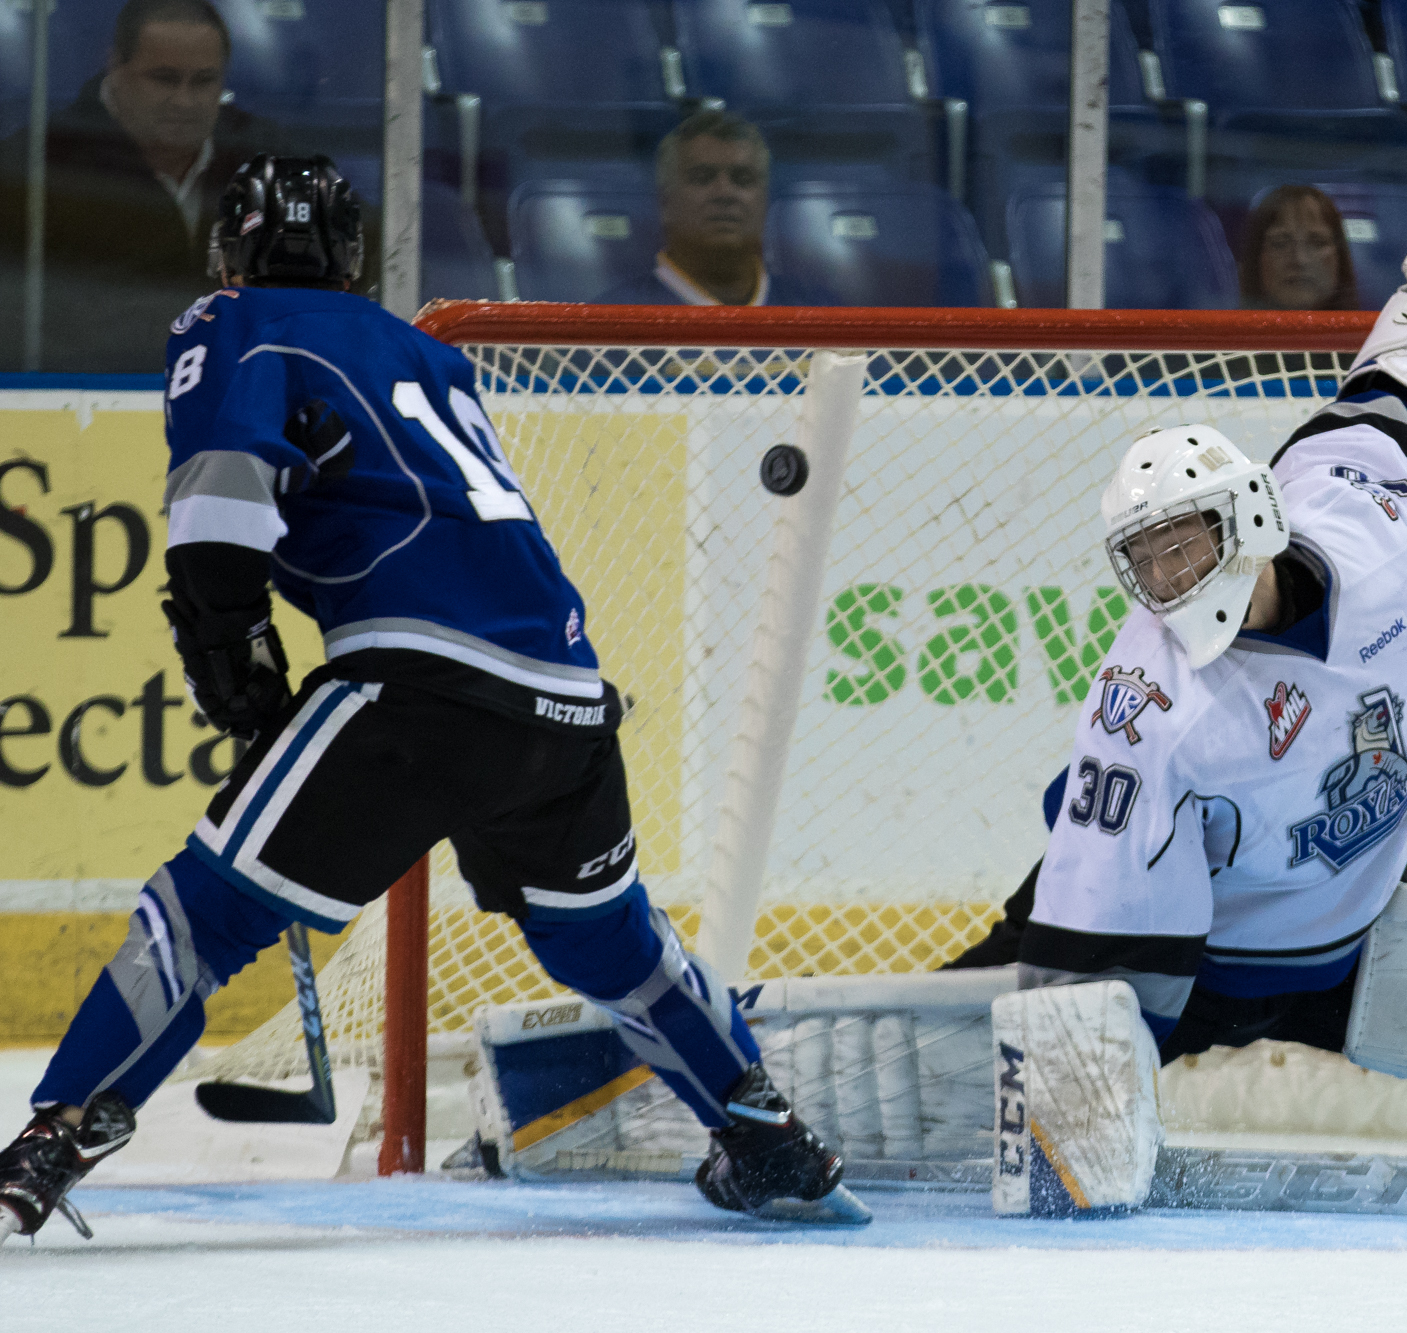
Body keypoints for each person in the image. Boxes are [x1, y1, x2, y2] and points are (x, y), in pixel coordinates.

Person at [0, 156, 863, 1243]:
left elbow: (221, 507)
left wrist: (232, 650)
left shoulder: (235, 320)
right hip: (562, 694)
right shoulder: (427, 351)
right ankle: (764, 1133)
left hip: (411, 688)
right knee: (610, 945)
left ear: (228, 249)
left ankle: (60, 1126)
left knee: (205, 911)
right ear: (355, 258)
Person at [945, 245, 1407, 1056]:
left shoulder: (1377, 544)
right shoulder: (1148, 701)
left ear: (1252, 518)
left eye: (1182, 544)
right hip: (1185, 928)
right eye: (1145, 558)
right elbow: (1103, 915)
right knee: (995, 1021)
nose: (1167, 577)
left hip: (1327, 900)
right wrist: (1078, 1072)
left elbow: (1376, 411)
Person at [0, 0, 302, 371]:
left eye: (203, 81)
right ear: (115, 67)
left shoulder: (268, 160)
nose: (184, 100)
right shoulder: (37, 166)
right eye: (164, 78)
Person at [593, 110, 838, 307]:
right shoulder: (608, 326)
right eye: (702, 178)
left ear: (765, 200)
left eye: (742, 179)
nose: (724, 193)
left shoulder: (820, 313)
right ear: (665, 202)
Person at [1237, 185, 1360, 312]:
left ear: (1340, 258)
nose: (1300, 260)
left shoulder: (1376, 331)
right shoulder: (1227, 331)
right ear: (1256, 257)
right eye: (1280, 243)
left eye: (1318, 243)